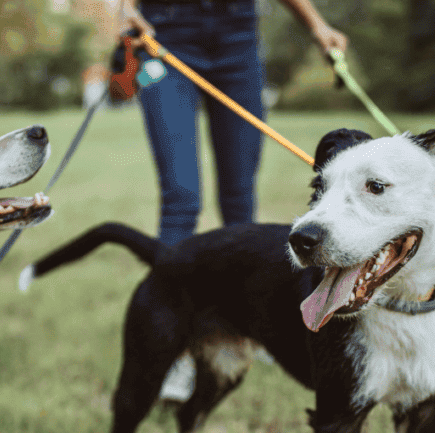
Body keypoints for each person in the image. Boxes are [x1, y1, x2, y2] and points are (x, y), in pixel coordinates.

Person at [118, 0, 347, 401]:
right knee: (181, 199)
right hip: (165, 36)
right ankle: (173, 347)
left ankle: (248, 325)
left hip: (237, 38)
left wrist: (316, 26)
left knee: (239, 198)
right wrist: (123, 8)